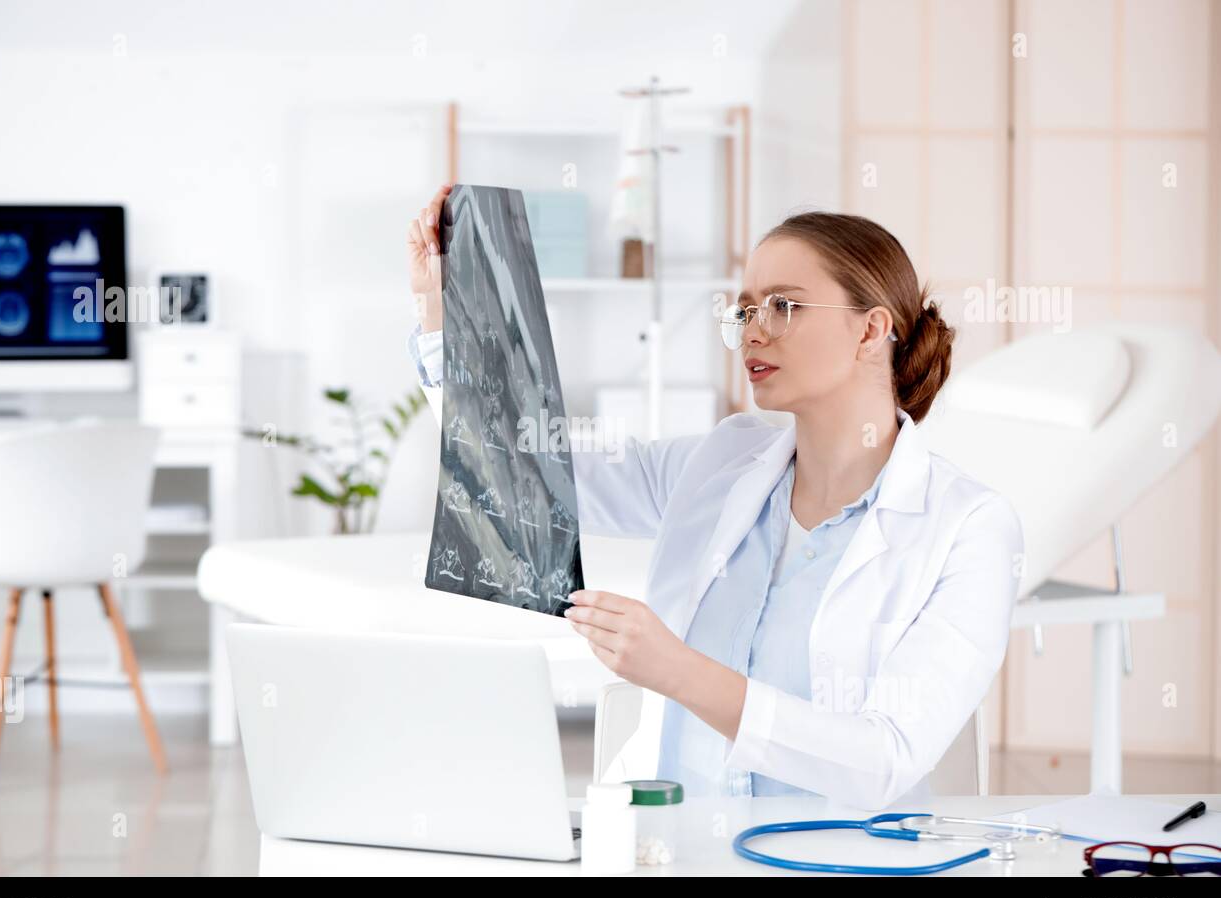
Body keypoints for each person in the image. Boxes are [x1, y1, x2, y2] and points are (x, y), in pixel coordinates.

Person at [404, 183, 1024, 809]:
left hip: (834, 857)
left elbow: (883, 759)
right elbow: (527, 475)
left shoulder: (968, 527)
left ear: (871, 331)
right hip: (672, 848)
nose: (755, 330)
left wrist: (675, 669)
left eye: (784, 306)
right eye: (746, 311)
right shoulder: (724, 460)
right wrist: (441, 312)